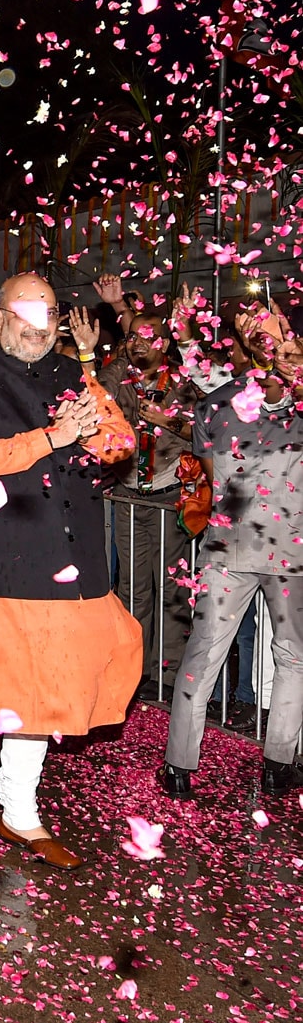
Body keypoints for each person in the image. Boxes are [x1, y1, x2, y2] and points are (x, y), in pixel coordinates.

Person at [0, 273, 140, 868]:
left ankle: (18, 811)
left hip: (68, 561)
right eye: (24, 309)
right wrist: (53, 435)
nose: (38, 321)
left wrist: (95, 431)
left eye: (48, 310)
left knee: (45, 695)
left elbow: (122, 443)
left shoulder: (76, 376)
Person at [160, 306, 303, 800]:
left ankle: (179, 767)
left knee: (203, 656)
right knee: (293, 659)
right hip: (291, 547)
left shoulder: (214, 405)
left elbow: (206, 475)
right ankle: (278, 764)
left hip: (228, 546)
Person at [90, 304, 199, 700]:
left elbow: (207, 432)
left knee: (170, 588)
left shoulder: (185, 382)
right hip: (127, 495)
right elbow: (95, 393)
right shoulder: (121, 380)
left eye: (146, 336)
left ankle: (166, 676)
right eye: (132, 336)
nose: (137, 342)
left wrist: (165, 421)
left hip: (170, 497)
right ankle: (132, 670)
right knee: (133, 587)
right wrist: (123, 357)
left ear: (165, 342)